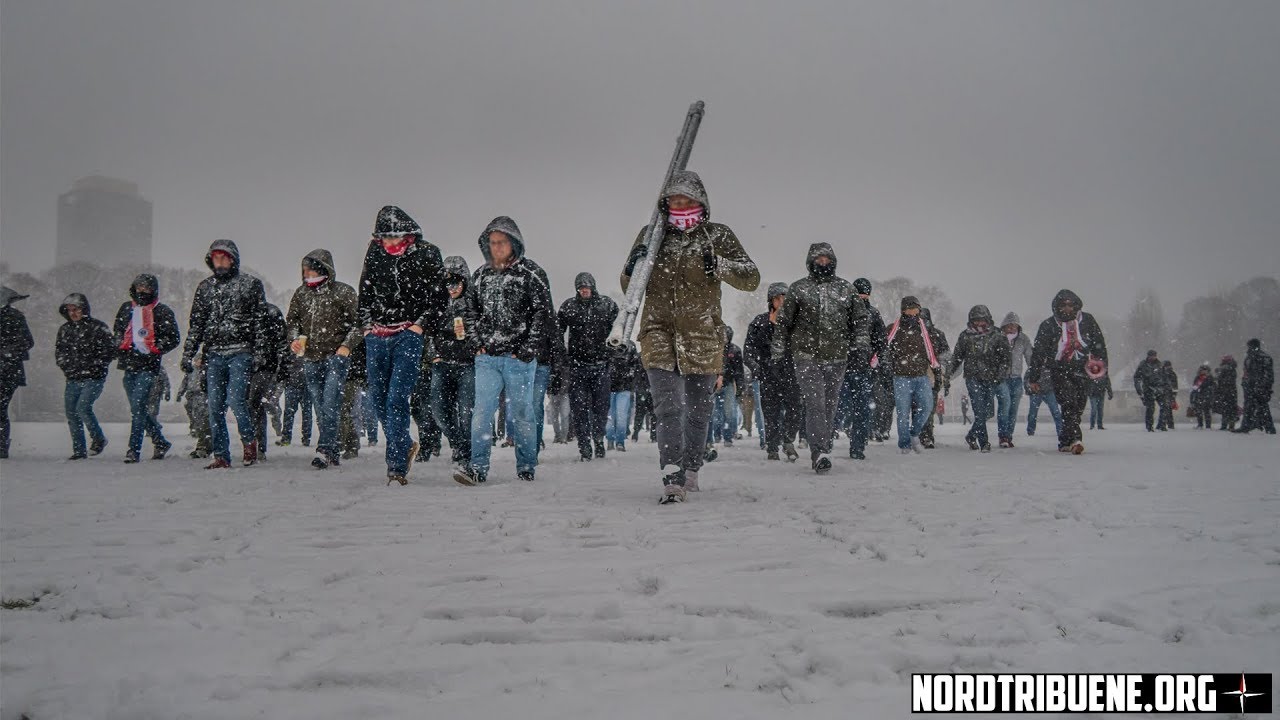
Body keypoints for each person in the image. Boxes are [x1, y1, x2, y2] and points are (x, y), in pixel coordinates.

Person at [620, 170, 759, 502]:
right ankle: (672, 474)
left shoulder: (717, 235)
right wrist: (632, 267)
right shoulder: (652, 235)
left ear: (701, 202)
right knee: (667, 408)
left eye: (687, 199)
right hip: (658, 332)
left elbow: (751, 277)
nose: (680, 205)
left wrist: (720, 265)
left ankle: (691, 469)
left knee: (698, 411)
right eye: (674, 200)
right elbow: (630, 288)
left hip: (702, 335)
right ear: (665, 203)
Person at [454, 216, 552, 485]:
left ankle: (526, 466)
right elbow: (470, 312)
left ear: (514, 243)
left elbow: (543, 316)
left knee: (522, 413)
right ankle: (477, 468)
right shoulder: (480, 275)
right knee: (482, 413)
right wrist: (476, 344)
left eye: (502, 242)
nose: (497, 247)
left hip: (518, 359)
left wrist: (527, 349)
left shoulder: (532, 273)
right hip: (487, 358)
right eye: (492, 242)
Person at [358, 206, 447, 485]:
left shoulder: (427, 253)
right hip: (378, 334)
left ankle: (396, 466)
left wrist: (420, 324)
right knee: (377, 399)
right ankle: (405, 442)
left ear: (407, 234)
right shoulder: (374, 252)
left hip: (409, 332)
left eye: (394, 237)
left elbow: (439, 297)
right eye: (385, 238)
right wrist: (367, 326)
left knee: (397, 398)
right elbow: (365, 291)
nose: (390, 243)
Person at [771, 243, 869, 472]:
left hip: (837, 356)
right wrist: (777, 353)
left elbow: (860, 320)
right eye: (819, 260)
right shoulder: (799, 289)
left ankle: (823, 445)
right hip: (806, 355)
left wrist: (860, 347)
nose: (823, 263)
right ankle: (819, 451)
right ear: (811, 262)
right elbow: (783, 323)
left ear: (833, 261)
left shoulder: (846, 289)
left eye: (827, 259)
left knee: (830, 405)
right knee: (815, 403)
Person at [183, 240, 269, 469]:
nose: (219, 262)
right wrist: (188, 352)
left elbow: (260, 322)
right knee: (215, 405)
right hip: (213, 354)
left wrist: (259, 353)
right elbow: (196, 324)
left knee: (236, 400)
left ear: (233, 259)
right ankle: (221, 454)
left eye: (224, 257)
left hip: (241, 351)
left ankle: (249, 442)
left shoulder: (250, 285)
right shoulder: (205, 288)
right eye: (216, 258)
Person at [285, 248, 361, 468]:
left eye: (310, 270)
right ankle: (333, 449)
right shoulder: (301, 294)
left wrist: (346, 346)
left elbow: (359, 323)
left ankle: (324, 449)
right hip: (310, 358)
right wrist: (293, 339)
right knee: (320, 406)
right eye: (304, 271)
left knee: (330, 403)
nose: (306, 274)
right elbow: (292, 322)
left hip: (336, 358)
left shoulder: (343, 292)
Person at [1026, 289, 1108, 454]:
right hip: (1059, 369)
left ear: (1076, 305)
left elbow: (1099, 345)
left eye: (1071, 305)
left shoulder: (1088, 321)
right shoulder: (1048, 325)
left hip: (1081, 369)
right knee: (1068, 402)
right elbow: (1038, 353)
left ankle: (1065, 440)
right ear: (1057, 307)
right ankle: (1076, 439)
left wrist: (1101, 370)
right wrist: (1034, 377)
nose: (1067, 309)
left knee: (1078, 405)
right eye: (1063, 305)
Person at [114, 274, 182, 463]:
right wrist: (120, 344)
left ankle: (133, 449)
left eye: (146, 287)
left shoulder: (162, 311)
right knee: (139, 408)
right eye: (139, 287)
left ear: (154, 289)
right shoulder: (127, 308)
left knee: (137, 407)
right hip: (128, 364)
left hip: (148, 365)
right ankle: (160, 441)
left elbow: (174, 337)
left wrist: (157, 348)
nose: (142, 290)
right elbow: (118, 330)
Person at [558, 272, 618, 461]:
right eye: (581, 288)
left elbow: (620, 326)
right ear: (577, 289)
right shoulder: (569, 307)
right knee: (579, 408)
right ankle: (584, 445)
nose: (585, 291)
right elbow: (557, 330)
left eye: (587, 288)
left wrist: (614, 352)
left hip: (601, 365)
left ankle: (599, 438)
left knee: (601, 407)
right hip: (577, 366)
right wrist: (562, 355)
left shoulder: (607, 305)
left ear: (593, 287)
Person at [430, 256, 478, 469]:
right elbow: (427, 330)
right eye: (448, 282)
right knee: (439, 411)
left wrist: (471, 344)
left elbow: (481, 331)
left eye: (455, 282)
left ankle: (466, 453)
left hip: (468, 365)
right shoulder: (436, 301)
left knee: (466, 413)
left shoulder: (475, 302)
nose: (451, 287)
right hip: (442, 363)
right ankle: (457, 443)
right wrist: (433, 354)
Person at [875, 296, 940, 454]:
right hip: (901, 377)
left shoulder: (924, 330)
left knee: (927, 406)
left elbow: (932, 352)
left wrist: (937, 374)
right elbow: (884, 351)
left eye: (915, 309)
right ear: (903, 310)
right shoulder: (893, 328)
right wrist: (887, 370)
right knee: (902, 413)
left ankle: (914, 433)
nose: (912, 312)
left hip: (921, 376)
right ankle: (904, 444)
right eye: (909, 309)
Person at [55, 293, 116, 459]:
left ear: (84, 309)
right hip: (73, 378)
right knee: (71, 413)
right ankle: (79, 450)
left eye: (76, 309)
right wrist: (67, 368)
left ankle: (98, 438)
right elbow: (60, 353)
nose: (73, 313)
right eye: (69, 310)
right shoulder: (64, 330)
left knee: (82, 408)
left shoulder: (98, 327)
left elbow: (110, 351)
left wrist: (95, 366)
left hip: (93, 378)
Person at [746, 282, 802, 461]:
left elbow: (804, 347)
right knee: (770, 413)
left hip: (792, 375)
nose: (782, 302)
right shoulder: (759, 322)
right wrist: (758, 368)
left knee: (795, 410)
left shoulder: (795, 324)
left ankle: (788, 441)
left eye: (785, 298)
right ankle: (772, 447)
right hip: (768, 376)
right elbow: (748, 351)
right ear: (771, 301)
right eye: (778, 299)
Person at [947, 305, 1011, 452]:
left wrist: (1000, 375)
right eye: (976, 321)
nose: (979, 324)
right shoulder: (965, 336)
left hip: (992, 378)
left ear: (988, 320)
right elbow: (957, 357)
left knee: (988, 412)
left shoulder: (998, 335)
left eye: (982, 320)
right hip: (972, 377)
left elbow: (1005, 359)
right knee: (979, 411)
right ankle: (984, 443)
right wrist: (947, 374)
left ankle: (971, 435)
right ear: (971, 321)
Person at [841, 277, 886, 460]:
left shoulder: (874, 315)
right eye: (859, 295)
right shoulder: (842, 312)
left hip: (863, 369)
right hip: (841, 368)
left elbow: (881, 342)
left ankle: (857, 447)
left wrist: (876, 363)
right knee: (840, 407)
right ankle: (827, 443)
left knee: (862, 409)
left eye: (865, 296)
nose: (862, 299)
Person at [0, 286, 34, 459]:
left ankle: (1, 446)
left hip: (7, 371)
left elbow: (27, 342)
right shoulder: (16, 317)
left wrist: (6, 352)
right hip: (9, 371)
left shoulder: (15, 317)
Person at [995, 312, 1034, 448]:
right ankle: (1003, 435)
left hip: (1016, 378)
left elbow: (1030, 357)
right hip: (1002, 379)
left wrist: (1034, 373)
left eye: (1014, 325)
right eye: (1009, 325)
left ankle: (1009, 435)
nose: (1011, 328)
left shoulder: (1023, 340)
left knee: (1013, 409)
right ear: (1004, 326)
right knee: (1004, 406)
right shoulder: (997, 339)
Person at [915, 307, 950, 449]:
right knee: (923, 408)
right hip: (921, 375)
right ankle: (925, 435)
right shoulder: (935, 335)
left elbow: (946, 358)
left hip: (930, 375)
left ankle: (925, 435)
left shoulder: (936, 335)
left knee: (926, 408)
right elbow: (946, 358)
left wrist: (944, 379)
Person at [708, 326, 746, 452]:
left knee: (728, 412)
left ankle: (727, 436)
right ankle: (717, 435)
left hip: (728, 384)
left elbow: (739, 371)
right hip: (714, 384)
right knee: (715, 413)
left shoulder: (734, 350)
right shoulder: (714, 349)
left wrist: (740, 386)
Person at [1235, 338, 1275, 434]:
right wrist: (1245, 382)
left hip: (1259, 387)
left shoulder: (1263, 358)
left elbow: (1268, 375)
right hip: (1250, 387)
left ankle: (1269, 428)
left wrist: (1263, 386)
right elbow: (1246, 372)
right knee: (1250, 407)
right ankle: (1246, 426)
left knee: (1262, 407)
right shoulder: (1250, 358)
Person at [606, 336, 639, 451]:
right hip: (612, 386)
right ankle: (612, 440)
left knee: (619, 416)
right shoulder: (608, 343)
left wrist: (631, 380)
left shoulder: (630, 346)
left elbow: (635, 366)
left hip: (623, 386)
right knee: (613, 416)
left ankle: (618, 441)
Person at [176, 355, 212, 458]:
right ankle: (200, 438)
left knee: (204, 420)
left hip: (203, 395)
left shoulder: (207, 370)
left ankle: (204, 445)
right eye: (197, 359)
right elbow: (185, 382)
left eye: (201, 359)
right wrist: (180, 393)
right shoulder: (191, 371)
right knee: (195, 417)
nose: (199, 361)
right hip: (192, 395)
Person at [276, 356, 313, 447]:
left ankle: (290, 438)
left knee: (294, 413)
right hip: (296, 384)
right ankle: (303, 438)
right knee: (303, 413)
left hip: (298, 384)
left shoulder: (294, 349)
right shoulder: (293, 350)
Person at [1134, 350, 1169, 432]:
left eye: (1154, 356)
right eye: (1151, 356)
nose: (1152, 357)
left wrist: (1166, 387)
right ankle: (1149, 426)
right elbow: (1137, 377)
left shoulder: (1159, 364)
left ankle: (1162, 425)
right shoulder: (1143, 365)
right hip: (1148, 389)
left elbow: (1165, 377)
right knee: (1150, 408)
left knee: (1165, 406)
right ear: (1148, 356)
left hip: (1160, 389)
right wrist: (1139, 390)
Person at [1213, 355, 1239, 431]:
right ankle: (1231, 424)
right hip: (1231, 391)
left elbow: (1220, 379)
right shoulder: (1232, 368)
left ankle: (1225, 425)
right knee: (1231, 409)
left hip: (1225, 391)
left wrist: (1218, 376)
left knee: (1225, 409)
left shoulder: (1224, 369)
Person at [1189, 363, 1216, 429]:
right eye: (1202, 370)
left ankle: (1208, 426)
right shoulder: (1198, 378)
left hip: (1207, 397)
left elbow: (1213, 387)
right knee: (1199, 411)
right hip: (1198, 396)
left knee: (1206, 411)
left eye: (1205, 370)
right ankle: (1200, 424)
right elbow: (1194, 388)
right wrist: (1192, 398)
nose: (1203, 371)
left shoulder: (1210, 378)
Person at [1159, 360, 1179, 430]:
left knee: (1166, 409)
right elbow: (1175, 386)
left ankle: (1164, 424)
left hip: (1166, 393)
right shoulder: (1171, 374)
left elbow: (1175, 386)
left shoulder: (1167, 374)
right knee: (1167, 409)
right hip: (1167, 393)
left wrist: (1173, 395)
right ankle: (1169, 424)